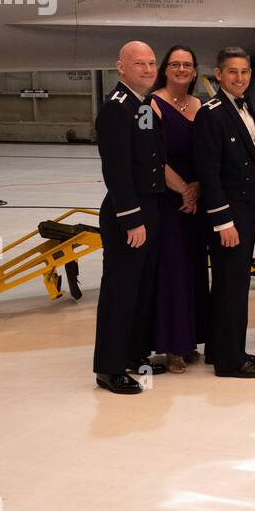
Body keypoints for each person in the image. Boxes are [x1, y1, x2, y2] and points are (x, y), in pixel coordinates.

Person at [92, 41, 168, 394]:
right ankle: (109, 368)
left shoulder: (145, 105)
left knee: (142, 289)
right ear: (121, 67)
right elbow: (117, 169)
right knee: (120, 292)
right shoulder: (116, 109)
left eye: (152, 63)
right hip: (129, 213)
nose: (149, 69)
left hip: (149, 209)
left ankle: (132, 354)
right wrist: (131, 218)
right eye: (140, 64)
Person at [194, 47, 255, 378]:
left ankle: (219, 348)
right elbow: (208, 172)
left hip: (246, 206)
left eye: (244, 72)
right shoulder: (212, 112)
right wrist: (223, 221)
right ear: (219, 74)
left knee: (231, 283)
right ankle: (231, 360)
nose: (239, 78)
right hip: (229, 212)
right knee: (232, 285)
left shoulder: (250, 105)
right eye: (232, 72)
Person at [148, 45, 208, 374]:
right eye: (175, 64)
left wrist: (197, 187)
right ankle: (171, 346)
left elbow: (205, 153)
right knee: (171, 273)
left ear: (195, 71)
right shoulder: (153, 104)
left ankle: (190, 341)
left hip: (195, 201)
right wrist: (184, 189)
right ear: (166, 70)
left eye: (188, 64)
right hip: (169, 201)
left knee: (194, 270)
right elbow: (155, 158)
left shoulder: (200, 106)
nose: (182, 69)